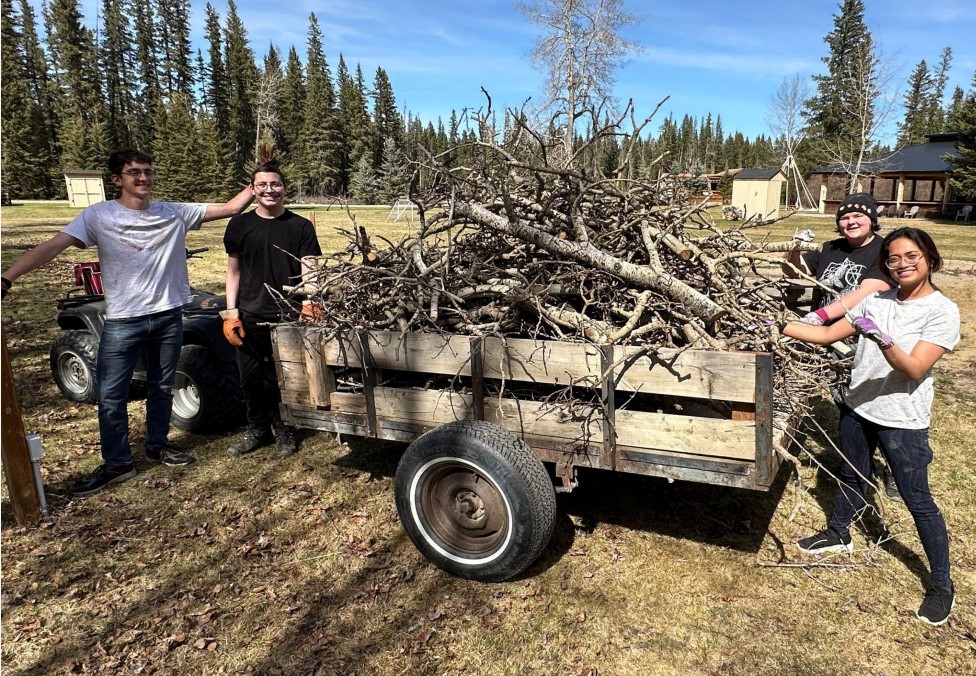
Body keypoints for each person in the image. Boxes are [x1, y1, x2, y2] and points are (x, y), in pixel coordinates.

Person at [0, 149, 253, 496]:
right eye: (134, 172)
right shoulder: (98, 216)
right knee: (111, 395)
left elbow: (232, 208)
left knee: (161, 386)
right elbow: (54, 246)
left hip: (168, 316)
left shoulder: (173, 212)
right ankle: (118, 463)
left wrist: (259, 180)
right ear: (117, 179)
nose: (143, 178)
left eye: (147, 171)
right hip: (123, 321)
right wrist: (8, 277)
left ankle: (158, 445)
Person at [776, 226, 960, 627]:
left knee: (917, 500)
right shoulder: (876, 301)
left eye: (911, 256)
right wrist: (776, 325)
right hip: (858, 407)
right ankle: (839, 533)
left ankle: (941, 585)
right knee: (852, 473)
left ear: (929, 259)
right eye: (893, 259)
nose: (902, 264)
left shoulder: (942, 311)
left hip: (901, 419)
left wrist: (883, 340)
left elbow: (914, 369)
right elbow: (826, 334)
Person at [785, 192, 901, 500]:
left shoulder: (883, 250)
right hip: (830, 340)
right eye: (844, 217)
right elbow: (793, 272)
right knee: (846, 402)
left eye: (858, 216)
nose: (851, 221)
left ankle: (894, 467)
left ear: (872, 220)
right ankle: (859, 461)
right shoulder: (830, 248)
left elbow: (868, 291)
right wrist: (795, 246)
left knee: (874, 404)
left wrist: (819, 315)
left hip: (865, 339)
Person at [221, 162, 322, 458]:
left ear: (284, 189)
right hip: (249, 313)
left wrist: (310, 302)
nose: (269, 190)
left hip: (288, 314)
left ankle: (285, 428)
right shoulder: (239, 225)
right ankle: (257, 429)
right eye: (262, 185)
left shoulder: (300, 226)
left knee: (282, 377)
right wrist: (230, 312)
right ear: (253, 190)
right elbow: (233, 272)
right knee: (249, 376)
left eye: (275, 184)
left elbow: (310, 267)